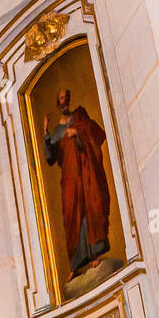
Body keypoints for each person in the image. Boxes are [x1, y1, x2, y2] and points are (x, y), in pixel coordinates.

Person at [42, 88, 111, 277]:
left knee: (90, 207)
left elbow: (93, 131)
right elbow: (50, 158)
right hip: (70, 178)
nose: (64, 100)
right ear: (58, 102)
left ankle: (95, 254)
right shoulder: (57, 131)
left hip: (85, 170)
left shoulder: (79, 118)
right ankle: (76, 264)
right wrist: (46, 135)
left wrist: (77, 134)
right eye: (61, 97)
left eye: (66, 97)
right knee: (72, 215)